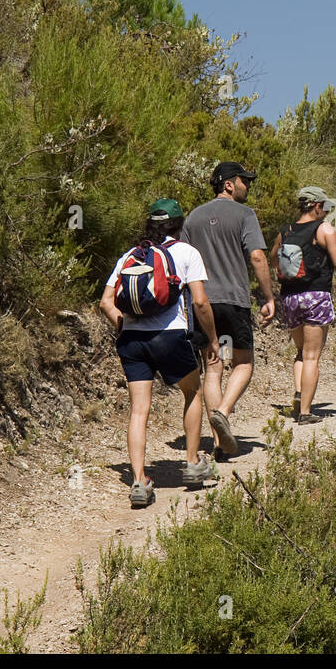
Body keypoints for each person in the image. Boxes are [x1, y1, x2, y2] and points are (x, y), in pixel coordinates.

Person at [100, 198, 221, 507]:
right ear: (179, 225)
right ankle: (192, 464)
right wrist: (212, 340)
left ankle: (139, 481)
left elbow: (105, 302)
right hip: (170, 338)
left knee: (139, 410)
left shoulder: (131, 254)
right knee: (192, 392)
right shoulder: (186, 253)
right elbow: (200, 302)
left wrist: (122, 326)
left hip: (132, 341)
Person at [180, 161, 275, 456]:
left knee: (213, 368)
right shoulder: (245, 214)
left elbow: (181, 261)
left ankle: (219, 444)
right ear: (229, 185)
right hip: (233, 300)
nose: (249, 185)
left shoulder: (193, 218)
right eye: (244, 180)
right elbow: (258, 257)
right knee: (244, 363)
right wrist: (269, 297)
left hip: (202, 303)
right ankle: (223, 411)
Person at [271, 186, 336, 424]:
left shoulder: (286, 230)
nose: (325, 213)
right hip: (316, 297)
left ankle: (300, 394)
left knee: (300, 352)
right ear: (317, 206)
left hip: (289, 298)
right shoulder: (324, 229)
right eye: (324, 208)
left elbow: (272, 258)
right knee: (312, 356)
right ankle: (305, 412)